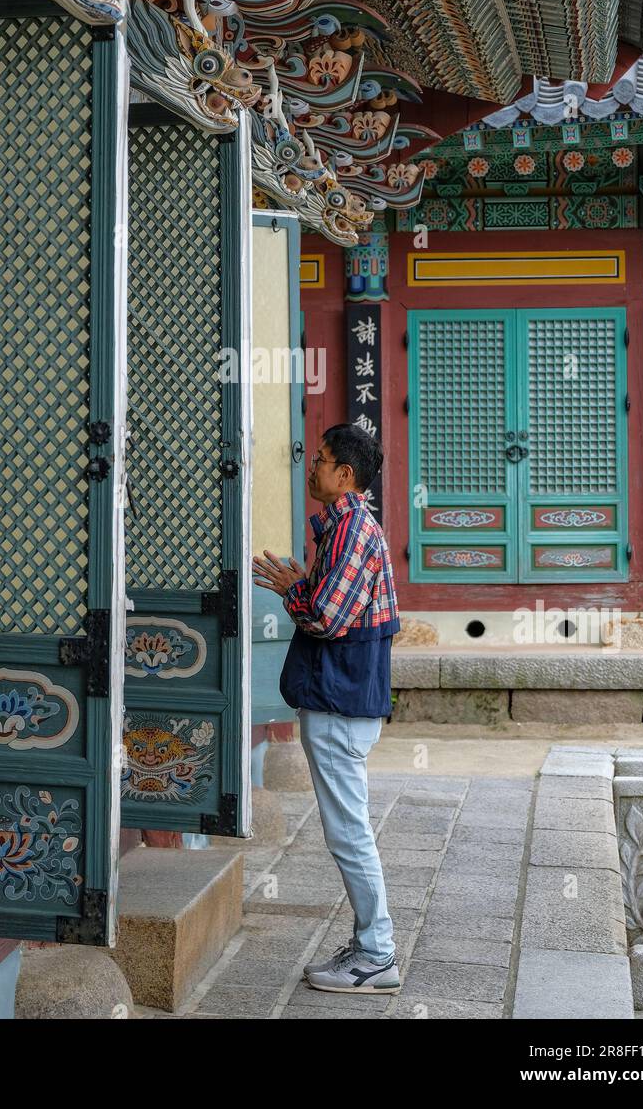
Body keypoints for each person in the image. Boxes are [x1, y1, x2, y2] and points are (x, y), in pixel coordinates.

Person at [252, 422, 401, 995]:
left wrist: (295, 591)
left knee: (348, 833)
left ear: (345, 475)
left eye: (320, 459)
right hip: (344, 698)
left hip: (340, 703)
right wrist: (303, 585)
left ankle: (377, 952)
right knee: (348, 828)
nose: (310, 466)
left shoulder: (352, 531)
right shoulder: (348, 526)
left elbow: (324, 620)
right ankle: (371, 946)